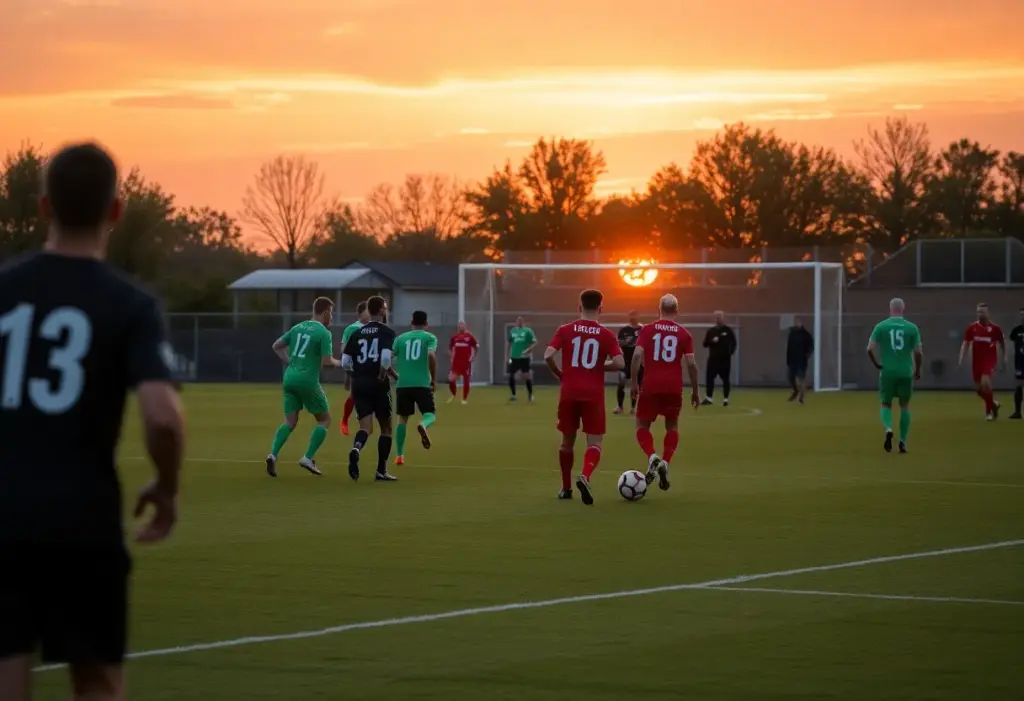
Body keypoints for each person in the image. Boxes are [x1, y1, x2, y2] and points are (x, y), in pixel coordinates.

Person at [0, 142, 185, 701]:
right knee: (98, 679)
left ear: (42, 208)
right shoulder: (128, 304)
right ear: (115, 211)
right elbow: (164, 418)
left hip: (3, 511)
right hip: (83, 516)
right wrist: (168, 489)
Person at [543, 289, 624, 505]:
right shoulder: (606, 335)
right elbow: (620, 363)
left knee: (567, 442)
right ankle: (585, 476)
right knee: (595, 441)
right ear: (601, 308)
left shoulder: (565, 330)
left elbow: (548, 355)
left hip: (569, 392)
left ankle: (566, 488)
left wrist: (560, 373)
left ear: (579, 307)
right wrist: (599, 366)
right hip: (593, 394)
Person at [632, 295, 700, 491]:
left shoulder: (647, 330)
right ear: (677, 311)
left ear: (658, 309)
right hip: (673, 387)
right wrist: (695, 391)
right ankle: (666, 462)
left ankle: (652, 456)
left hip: (651, 385)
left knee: (642, 424)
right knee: (672, 425)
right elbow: (692, 365)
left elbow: (637, 356)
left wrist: (635, 383)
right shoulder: (684, 335)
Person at [266, 297, 340, 477]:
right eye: (331, 312)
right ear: (325, 312)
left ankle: (273, 455)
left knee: (289, 422)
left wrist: (289, 361)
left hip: (289, 378)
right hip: (307, 380)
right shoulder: (323, 333)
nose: (332, 316)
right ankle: (307, 457)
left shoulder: (298, 327)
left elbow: (277, 346)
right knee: (324, 419)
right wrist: (343, 363)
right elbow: (327, 362)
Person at [342, 295, 398, 481]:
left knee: (365, 427)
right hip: (377, 384)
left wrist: (355, 376)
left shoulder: (357, 332)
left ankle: (356, 447)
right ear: (381, 310)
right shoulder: (387, 332)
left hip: (359, 384)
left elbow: (345, 362)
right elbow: (385, 359)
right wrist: (382, 377)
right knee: (386, 428)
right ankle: (381, 470)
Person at [867, 298, 922, 453]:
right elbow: (918, 352)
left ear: (890, 309)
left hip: (887, 371)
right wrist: (917, 370)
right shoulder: (912, 328)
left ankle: (889, 429)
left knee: (885, 404)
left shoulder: (881, 326)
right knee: (904, 406)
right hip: (906, 371)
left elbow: (869, 349)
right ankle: (903, 442)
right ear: (903, 309)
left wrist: (876, 364)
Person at [393, 311, 438, 465]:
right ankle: (423, 425)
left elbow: (387, 358)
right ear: (426, 324)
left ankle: (399, 456)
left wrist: (393, 375)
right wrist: (434, 379)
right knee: (430, 414)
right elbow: (431, 356)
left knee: (402, 419)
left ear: (411, 323)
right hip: (422, 383)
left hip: (403, 383)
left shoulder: (400, 339)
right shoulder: (429, 337)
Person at [959, 303, 1006, 421]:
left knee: (985, 383)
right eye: (979, 311)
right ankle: (994, 404)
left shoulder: (995, 329)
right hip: (977, 361)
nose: (980, 314)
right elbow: (966, 343)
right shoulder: (972, 328)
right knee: (979, 390)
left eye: (983, 311)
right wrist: (961, 357)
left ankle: (988, 412)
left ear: (988, 313)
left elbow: (1002, 343)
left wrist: (1004, 357)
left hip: (989, 360)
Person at [339, 301, 370, 435]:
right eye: (367, 310)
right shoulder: (352, 328)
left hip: (370, 367)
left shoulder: (374, 328)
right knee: (355, 394)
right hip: (356, 367)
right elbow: (344, 349)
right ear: (361, 313)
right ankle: (345, 420)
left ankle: (363, 421)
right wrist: (348, 371)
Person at [701, 310, 737, 406]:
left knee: (725, 379)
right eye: (716, 317)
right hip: (713, 359)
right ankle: (709, 398)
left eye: (719, 317)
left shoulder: (728, 331)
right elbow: (705, 344)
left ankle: (725, 399)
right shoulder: (711, 331)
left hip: (724, 359)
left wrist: (730, 353)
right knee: (709, 378)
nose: (718, 319)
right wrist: (712, 341)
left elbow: (733, 343)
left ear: (723, 318)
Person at [615, 310, 644, 415]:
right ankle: (620, 406)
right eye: (632, 315)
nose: (634, 317)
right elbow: (618, 343)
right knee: (621, 381)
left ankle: (633, 407)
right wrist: (627, 342)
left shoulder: (643, 329)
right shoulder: (624, 330)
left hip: (638, 362)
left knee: (636, 385)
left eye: (635, 315)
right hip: (625, 362)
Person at [447, 320, 478, 404]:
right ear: (458, 327)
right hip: (456, 362)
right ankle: (453, 394)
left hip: (466, 363)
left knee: (466, 381)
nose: (461, 326)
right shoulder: (454, 337)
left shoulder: (469, 336)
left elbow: (475, 347)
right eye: (460, 325)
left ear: (465, 326)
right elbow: (450, 348)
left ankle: (464, 399)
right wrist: (452, 357)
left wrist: (472, 357)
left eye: (463, 325)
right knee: (451, 379)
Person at [507, 316, 537, 402]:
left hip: (524, 357)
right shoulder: (513, 331)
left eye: (520, 321)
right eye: (517, 321)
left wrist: (528, 349)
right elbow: (509, 343)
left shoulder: (528, 331)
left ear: (523, 322)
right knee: (511, 375)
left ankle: (530, 394)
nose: (519, 322)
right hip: (514, 356)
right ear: (516, 322)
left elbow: (535, 342)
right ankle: (513, 395)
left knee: (526, 376)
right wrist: (508, 355)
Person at [785, 318, 814, 403]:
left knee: (801, 379)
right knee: (790, 378)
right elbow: (789, 347)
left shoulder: (806, 335)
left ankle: (801, 396)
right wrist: (788, 358)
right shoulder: (792, 333)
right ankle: (795, 390)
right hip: (792, 360)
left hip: (801, 360)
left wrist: (807, 354)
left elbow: (811, 346)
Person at [1009, 308, 1023, 419]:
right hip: (1020, 362)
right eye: (1021, 315)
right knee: (1018, 385)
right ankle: (1017, 412)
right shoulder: (1016, 330)